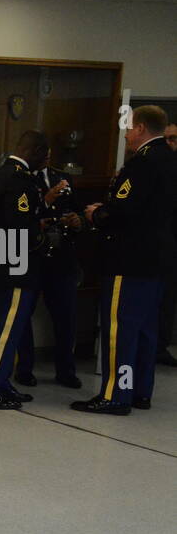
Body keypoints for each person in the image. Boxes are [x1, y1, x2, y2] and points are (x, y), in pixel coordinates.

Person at [76, 105, 177, 414]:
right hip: (159, 261)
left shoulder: (141, 165)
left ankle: (114, 394)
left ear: (142, 129)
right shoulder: (172, 160)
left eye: (130, 129)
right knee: (146, 330)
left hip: (129, 261)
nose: (127, 135)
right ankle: (139, 390)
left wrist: (97, 215)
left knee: (120, 330)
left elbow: (122, 212)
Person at [0, 131, 66, 410]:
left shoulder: (1, 175)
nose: (45, 163)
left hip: (2, 263)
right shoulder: (18, 180)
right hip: (15, 267)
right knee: (5, 329)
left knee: (8, 329)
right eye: (44, 156)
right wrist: (42, 237)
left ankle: (1, 383)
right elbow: (19, 227)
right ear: (34, 151)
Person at [12, 151, 84, 390]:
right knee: (23, 315)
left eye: (50, 154)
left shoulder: (61, 177)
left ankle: (66, 371)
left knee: (66, 317)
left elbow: (77, 208)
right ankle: (24, 369)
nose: (47, 158)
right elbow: (21, 217)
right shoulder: (22, 179)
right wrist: (47, 201)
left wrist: (77, 220)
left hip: (62, 257)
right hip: (34, 256)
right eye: (43, 154)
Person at [156, 121, 177, 367]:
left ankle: (160, 346)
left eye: (173, 139)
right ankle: (156, 346)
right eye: (166, 138)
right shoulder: (157, 168)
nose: (169, 144)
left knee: (167, 298)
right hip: (161, 244)